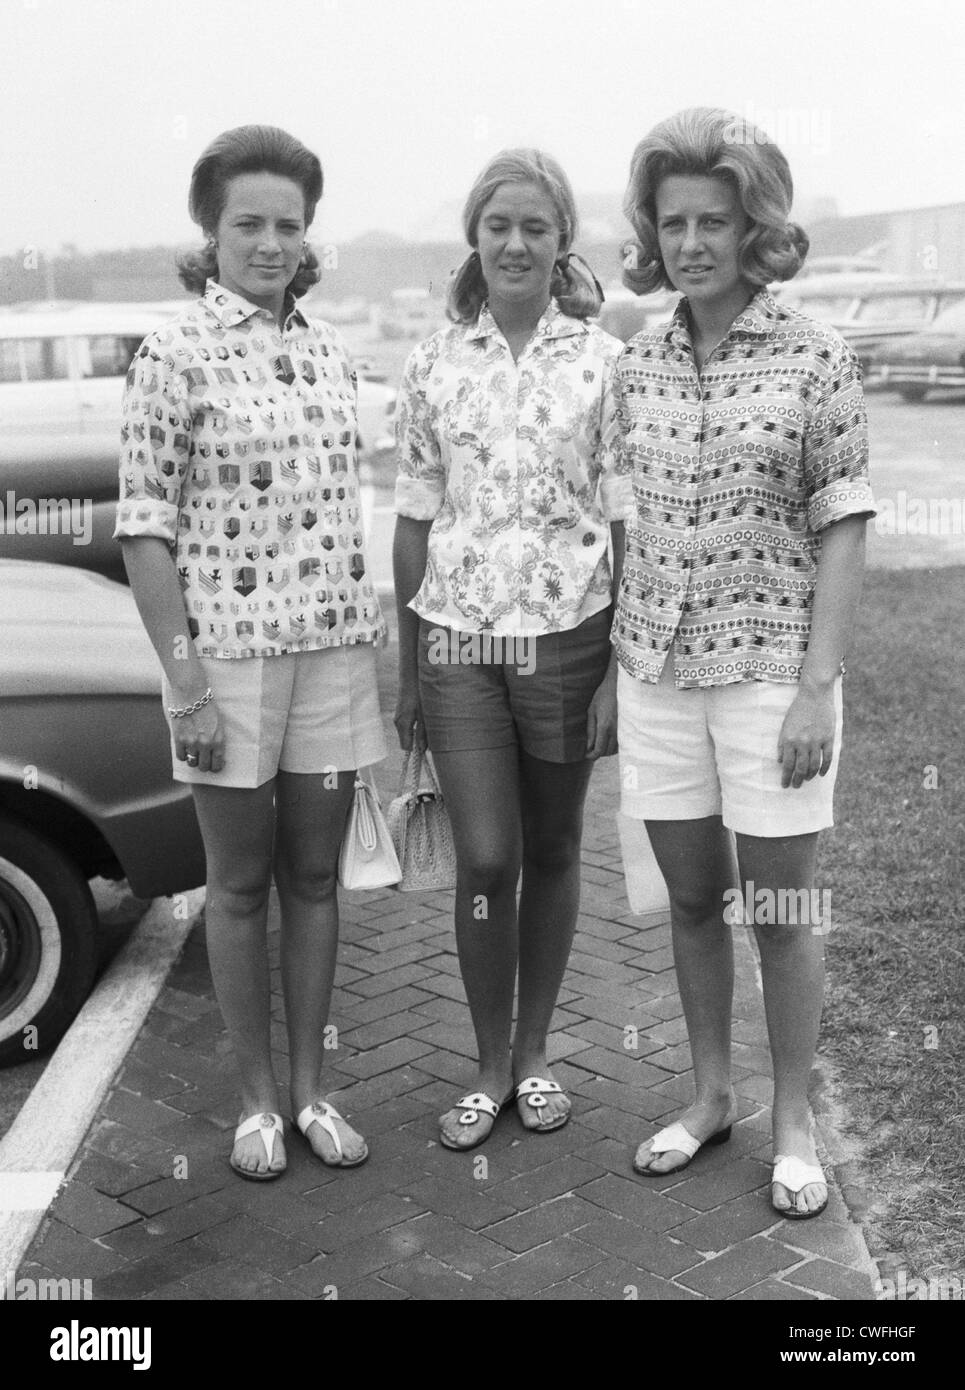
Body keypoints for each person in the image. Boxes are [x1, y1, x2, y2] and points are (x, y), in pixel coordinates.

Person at [613, 107, 876, 1217]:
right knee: (688, 900)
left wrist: (816, 683)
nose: (689, 243)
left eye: (711, 220)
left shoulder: (815, 355)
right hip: (657, 671)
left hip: (772, 670)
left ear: (751, 225)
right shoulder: (637, 358)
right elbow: (623, 520)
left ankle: (795, 1122)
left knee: (781, 911)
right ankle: (711, 1093)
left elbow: (844, 523)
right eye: (671, 222)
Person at [115, 125, 387, 1180]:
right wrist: (182, 677)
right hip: (223, 664)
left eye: (287, 224)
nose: (270, 243)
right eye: (249, 224)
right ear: (210, 231)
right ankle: (256, 1102)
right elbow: (146, 527)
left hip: (327, 653)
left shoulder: (327, 352)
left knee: (313, 879)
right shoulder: (172, 352)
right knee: (236, 887)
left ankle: (313, 1091)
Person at [393, 149, 633, 1150]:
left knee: (554, 848)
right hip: (458, 644)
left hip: (571, 638)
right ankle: (486, 1064)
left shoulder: (603, 361)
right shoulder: (432, 359)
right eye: (499, 225)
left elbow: (626, 519)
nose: (516, 242)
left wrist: (618, 662)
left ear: (561, 240)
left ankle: (535, 1055)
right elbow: (412, 515)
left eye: (536, 226)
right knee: (485, 857)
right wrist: (407, 664)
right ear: (474, 236)